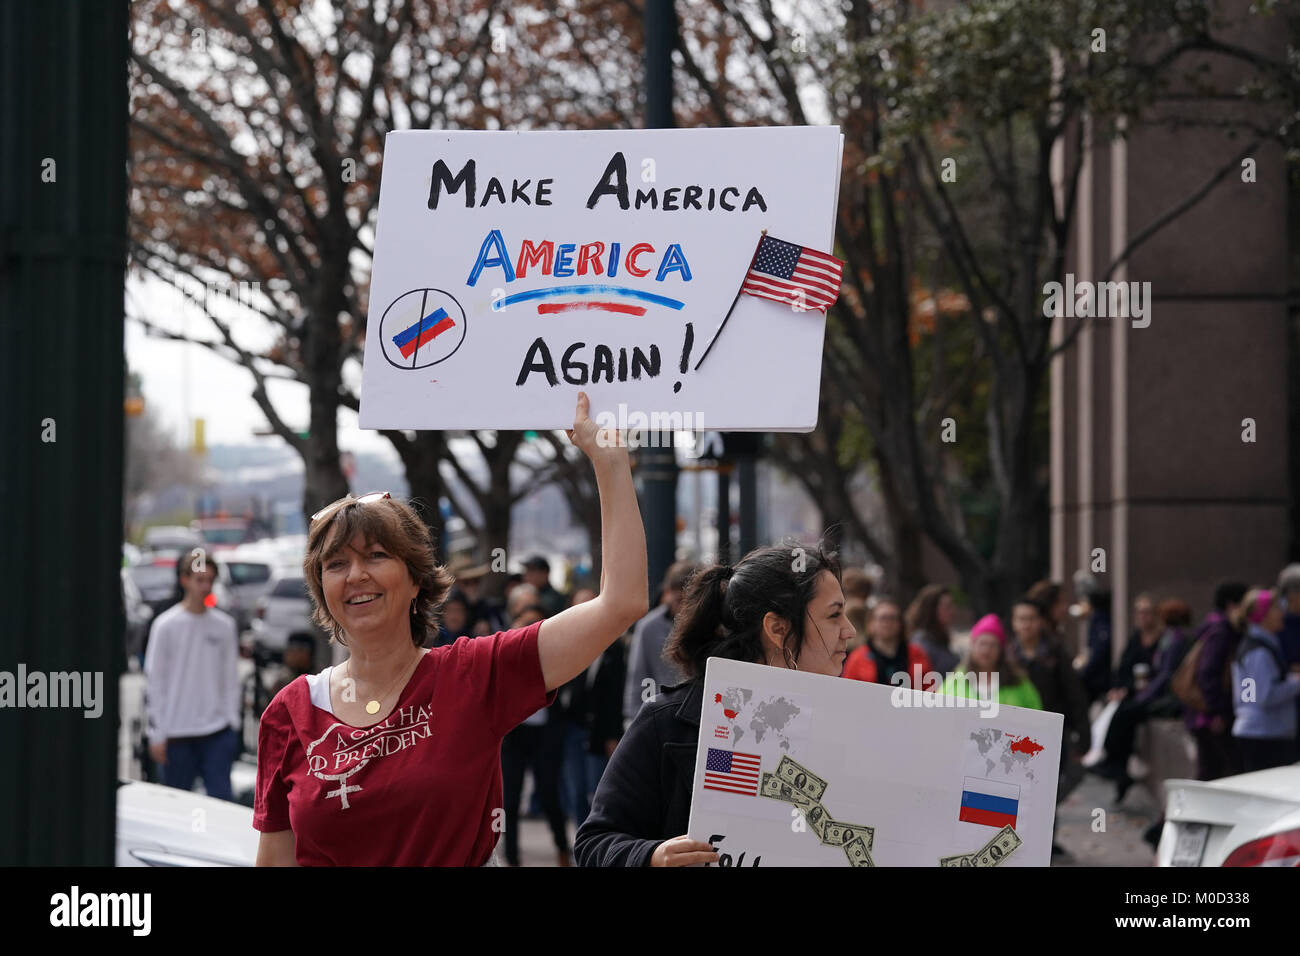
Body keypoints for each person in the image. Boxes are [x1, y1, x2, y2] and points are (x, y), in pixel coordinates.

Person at [252, 392, 649, 866]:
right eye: (336, 564)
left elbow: (621, 603)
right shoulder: (289, 713)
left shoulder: (475, 674)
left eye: (377, 556)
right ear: (323, 590)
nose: (356, 575)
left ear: (417, 579)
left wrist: (609, 463)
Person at [575, 543, 854, 867]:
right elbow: (593, 844)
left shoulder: (851, 723)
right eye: (834, 615)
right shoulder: (666, 723)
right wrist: (652, 857)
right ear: (777, 629)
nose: (850, 629)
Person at [144, 546, 242, 801]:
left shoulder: (224, 626)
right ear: (184, 580)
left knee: (221, 804)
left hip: (217, 733)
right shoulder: (165, 625)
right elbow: (155, 680)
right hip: (177, 735)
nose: (205, 586)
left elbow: (230, 678)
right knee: (177, 806)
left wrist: (233, 724)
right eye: (199, 580)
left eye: (209, 580)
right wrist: (158, 733)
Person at [1093, 598, 1193, 798]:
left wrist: (1143, 695)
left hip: (1165, 698)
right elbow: (1126, 667)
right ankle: (1115, 762)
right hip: (1145, 692)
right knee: (1120, 712)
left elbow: (1165, 673)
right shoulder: (1151, 638)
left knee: (1127, 713)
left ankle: (1117, 763)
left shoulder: (1175, 640)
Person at [500, 603, 573, 866]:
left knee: (550, 794)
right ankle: (511, 856)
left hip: (545, 735)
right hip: (514, 737)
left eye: (536, 624)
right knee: (509, 799)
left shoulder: (556, 655)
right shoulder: (503, 653)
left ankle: (563, 848)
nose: (529, 628)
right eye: (524, 622)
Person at [1183, 581, 1248, 781]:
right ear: (1232, 605)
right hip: (1210, 716)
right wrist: (1217, 711)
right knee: (1214, 773)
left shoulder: (1214, 627)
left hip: (1205, 714)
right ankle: (1172, 812)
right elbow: (1208, 674)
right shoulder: (1221, 631)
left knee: (1211, 773)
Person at [622, 560, 699, 728]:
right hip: (662, 717)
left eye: (690, 602)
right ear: (667, 593)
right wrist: (633, 720)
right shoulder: (649, 627)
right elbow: (638, 677)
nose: (683, 609)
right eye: (679, 600)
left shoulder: (711, 624)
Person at [1231, 588, 1300, 771]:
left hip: (1258, 732)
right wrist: (1296, 682)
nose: (1281, 613)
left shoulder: (1256, 645)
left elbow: (1251, 696)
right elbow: (1265, 697)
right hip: (1265, 735)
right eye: (1276, 608)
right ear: (1263, 615)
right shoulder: (1258, 652)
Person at [939, 614, 1042, 709]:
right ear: (972, 646)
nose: (986, 650)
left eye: (993, 645)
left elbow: (1036, 715)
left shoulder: (1019, 683)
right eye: (982, 644)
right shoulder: (955, 681)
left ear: (1001, 651)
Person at [843, 597, 931, 689]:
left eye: (892, 618)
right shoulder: (857, 658)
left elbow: (928, 690)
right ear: (871, 623)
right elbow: (848, 691)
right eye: (882, 618)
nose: (887, 623)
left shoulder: (917, 654)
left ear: (901, 623)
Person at [906, 584, 958, 675]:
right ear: (931, 610)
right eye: (948, 607)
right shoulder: (921, 643)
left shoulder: (939, 639)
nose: (953, 611)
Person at [268, 634, 316, 698]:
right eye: (290, 649)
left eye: (297, 650)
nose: (289, 654)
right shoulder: (281, 679)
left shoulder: (318, 679)